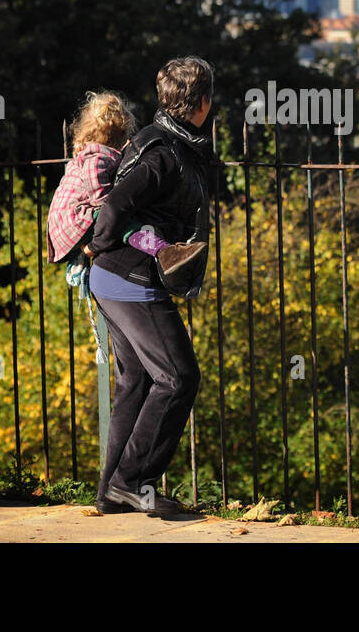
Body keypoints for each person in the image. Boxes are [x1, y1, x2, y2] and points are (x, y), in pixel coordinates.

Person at [84, 57, 215, 516]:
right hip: (129, 278)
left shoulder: (174, 143)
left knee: (137, 381)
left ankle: (111, 491)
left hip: (116, 278)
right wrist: (100, 245)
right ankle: (132, 481)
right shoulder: (164, 151)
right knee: (179, 377)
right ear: (202, 103)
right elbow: (116, 205)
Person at [47, 90, 206, 277]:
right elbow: (100, 194)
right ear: (123, 129)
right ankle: (165, 253)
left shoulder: (96, 154)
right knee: (124, 223)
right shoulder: (96, 155)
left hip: (66, 221)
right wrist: (112, 210)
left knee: (119, 219)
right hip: (73, 218)